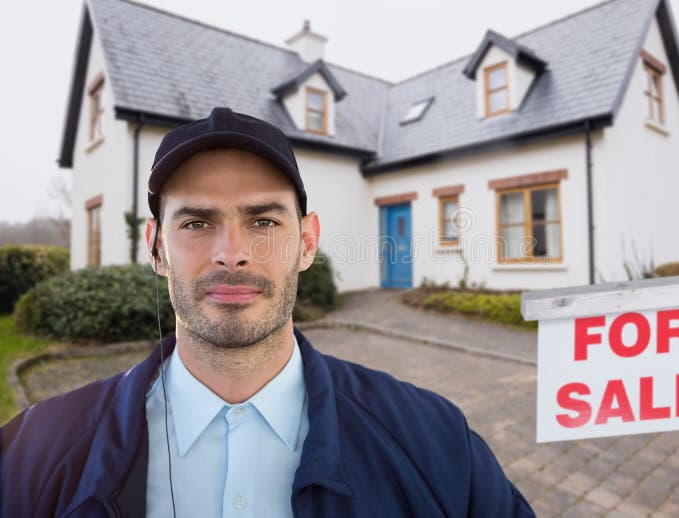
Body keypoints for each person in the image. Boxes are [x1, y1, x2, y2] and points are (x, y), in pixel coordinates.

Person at [1, 107, 535, 517]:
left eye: (263, 222)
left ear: (307, 243)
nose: (231, 252)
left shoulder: (435, 443)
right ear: (156, 247)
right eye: (195, 223)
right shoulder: (30, 459)